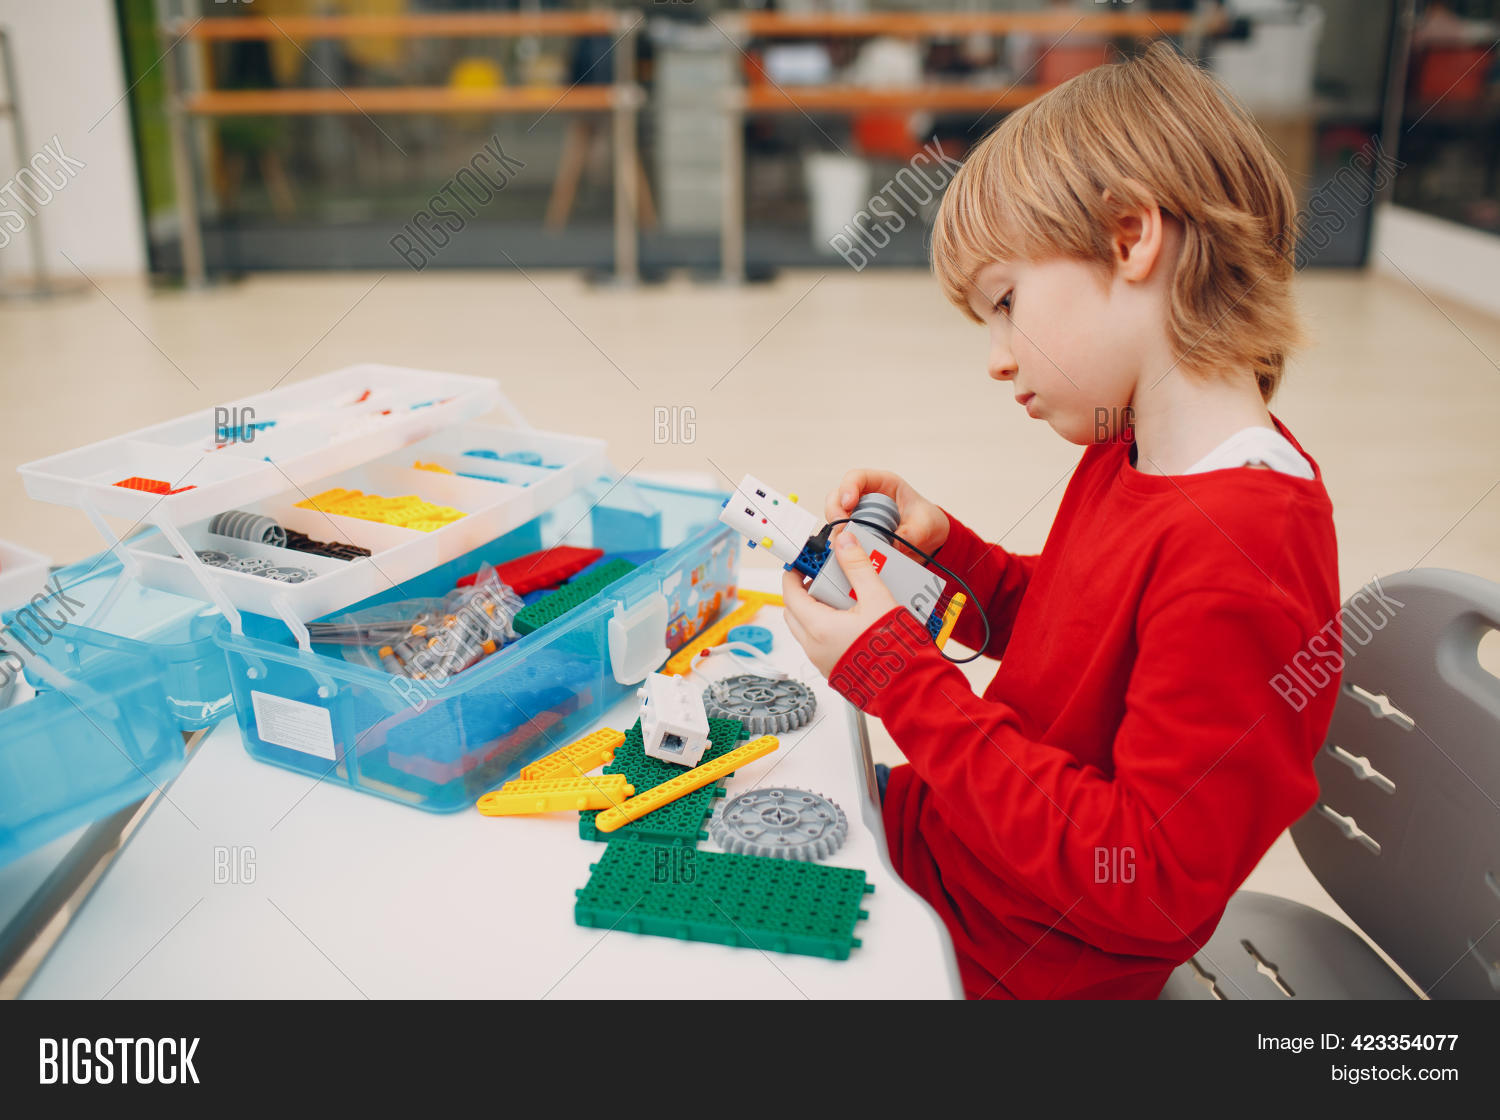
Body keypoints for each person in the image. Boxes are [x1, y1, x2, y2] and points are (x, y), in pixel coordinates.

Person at [780, 43, 1341, 999]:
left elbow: (1148, 880)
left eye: (1005, 303)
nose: (997, 358)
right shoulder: (1130, 446)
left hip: (1004, 962)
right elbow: (1083, 637)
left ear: (1130, 239)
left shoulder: (1249, 550)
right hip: (954, 859)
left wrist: (899, 680)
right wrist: (951, 558)